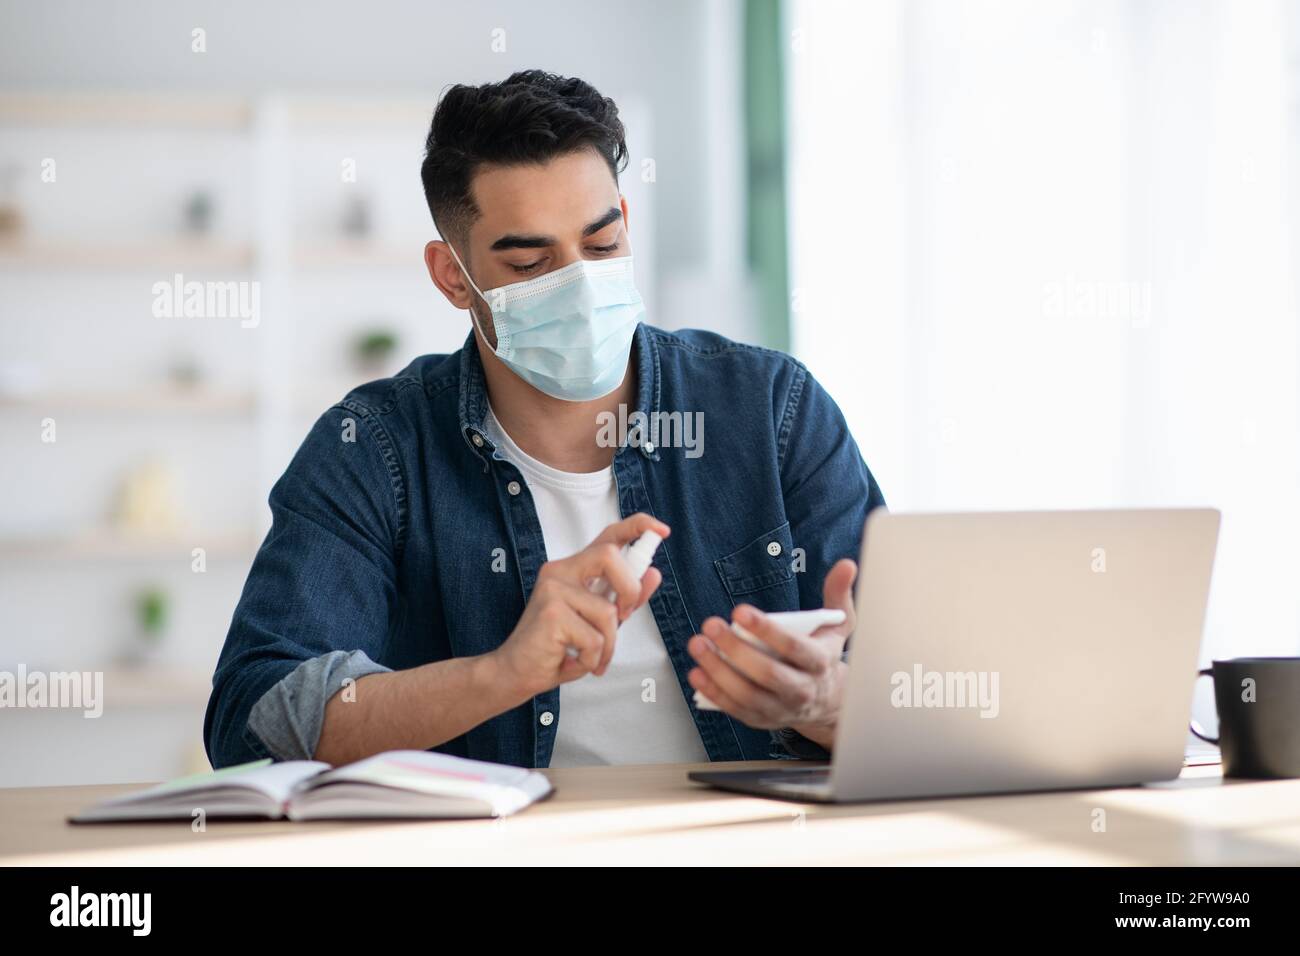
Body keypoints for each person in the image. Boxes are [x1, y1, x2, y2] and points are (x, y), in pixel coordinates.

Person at [204, 70, 885, 770]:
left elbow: (927, 700)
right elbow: (253, 722)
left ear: (625, 220)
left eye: (600, 246)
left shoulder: (772, 410)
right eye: (532, 263)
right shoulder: (372, 449)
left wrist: (828, 704)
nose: (582, 287)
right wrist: (502, 673)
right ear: (451, 277)